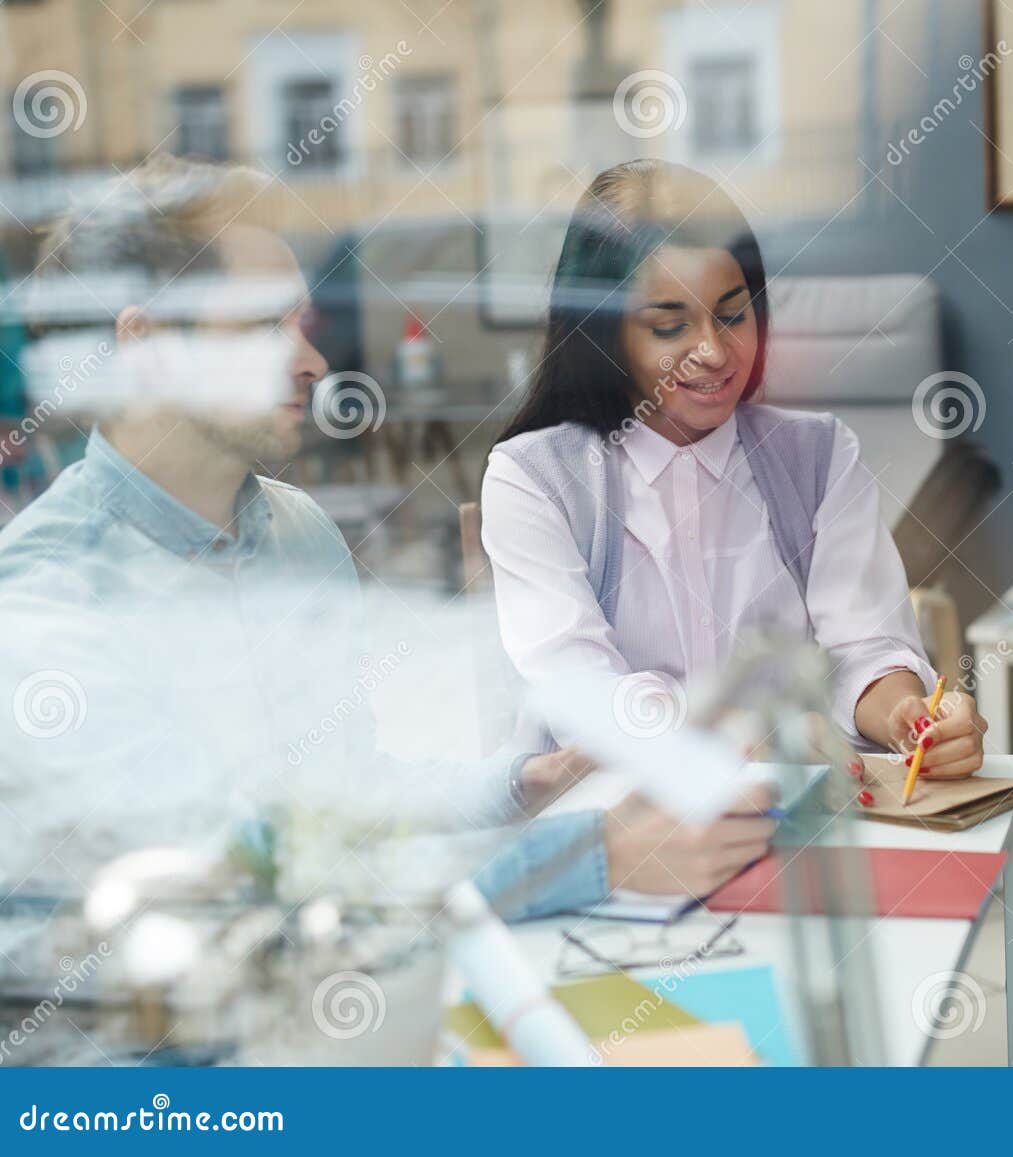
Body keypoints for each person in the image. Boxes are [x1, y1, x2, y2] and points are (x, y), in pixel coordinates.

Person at [0, 155, 771, 929]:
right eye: (264, 326)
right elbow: (244, 877)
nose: (313, 364)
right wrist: (594, 854)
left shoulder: (298, 531)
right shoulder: (45, 603)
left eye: (299, 325)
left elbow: (346, 791)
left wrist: (529, 779)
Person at [483, 158, 985, 773]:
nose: (714, 352)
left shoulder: (820, 455)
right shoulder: (533, 479)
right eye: (670, 326)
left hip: (791, 807)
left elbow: (864, 648)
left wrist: (906, 714)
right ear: (604, 334)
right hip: (618, 807)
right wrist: (739, 734)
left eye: (732, 315)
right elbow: (580, 688)